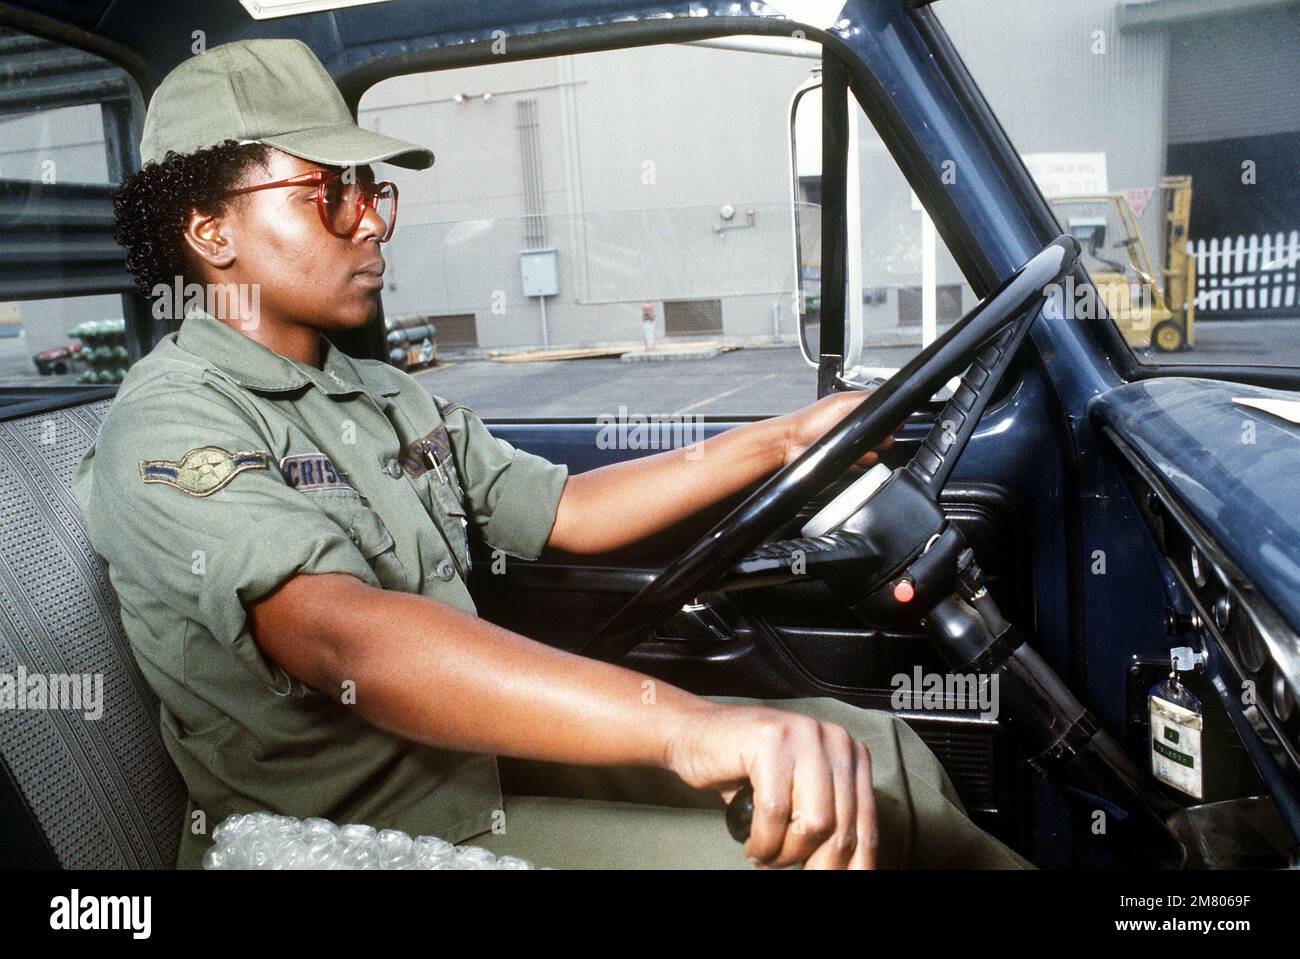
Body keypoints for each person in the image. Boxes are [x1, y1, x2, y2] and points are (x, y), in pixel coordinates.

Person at [72, 38, 1029, 870]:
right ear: (209, 230)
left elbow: (565, 509)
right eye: (328, 193)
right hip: (352, 832)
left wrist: (779, 440)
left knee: (872, 750)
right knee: (826, 848)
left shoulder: (376, 393)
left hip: (471, 772)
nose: (370, 222)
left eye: (374, 191)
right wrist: (684, 724)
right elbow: (344, 639)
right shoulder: (170, 426)